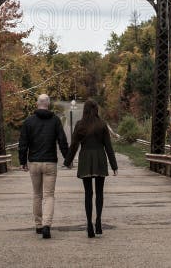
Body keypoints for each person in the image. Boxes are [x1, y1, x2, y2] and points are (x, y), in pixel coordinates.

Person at [64, 100, 118, 238]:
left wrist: (68, 161)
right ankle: (98, 221)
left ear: (85, 110)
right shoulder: (102, 125)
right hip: (100, 158)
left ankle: (89, 224)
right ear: (96, 110)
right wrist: (114, 166)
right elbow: (108, 146)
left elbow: (74, 145)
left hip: (86, 159)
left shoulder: (80, 125)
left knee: (88, 194)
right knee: (99, 193)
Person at [19, 94, 69, 239]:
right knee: (49, 195)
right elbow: (62, 140)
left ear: (37, 104)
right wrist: (67, 159)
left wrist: (22, 161)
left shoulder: (28, 121)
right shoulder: (55, 120)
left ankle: (38, 225)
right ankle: (47, 224)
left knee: (37, 194)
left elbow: (23, 144)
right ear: (48, 104)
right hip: (50, 163)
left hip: (34, 162)